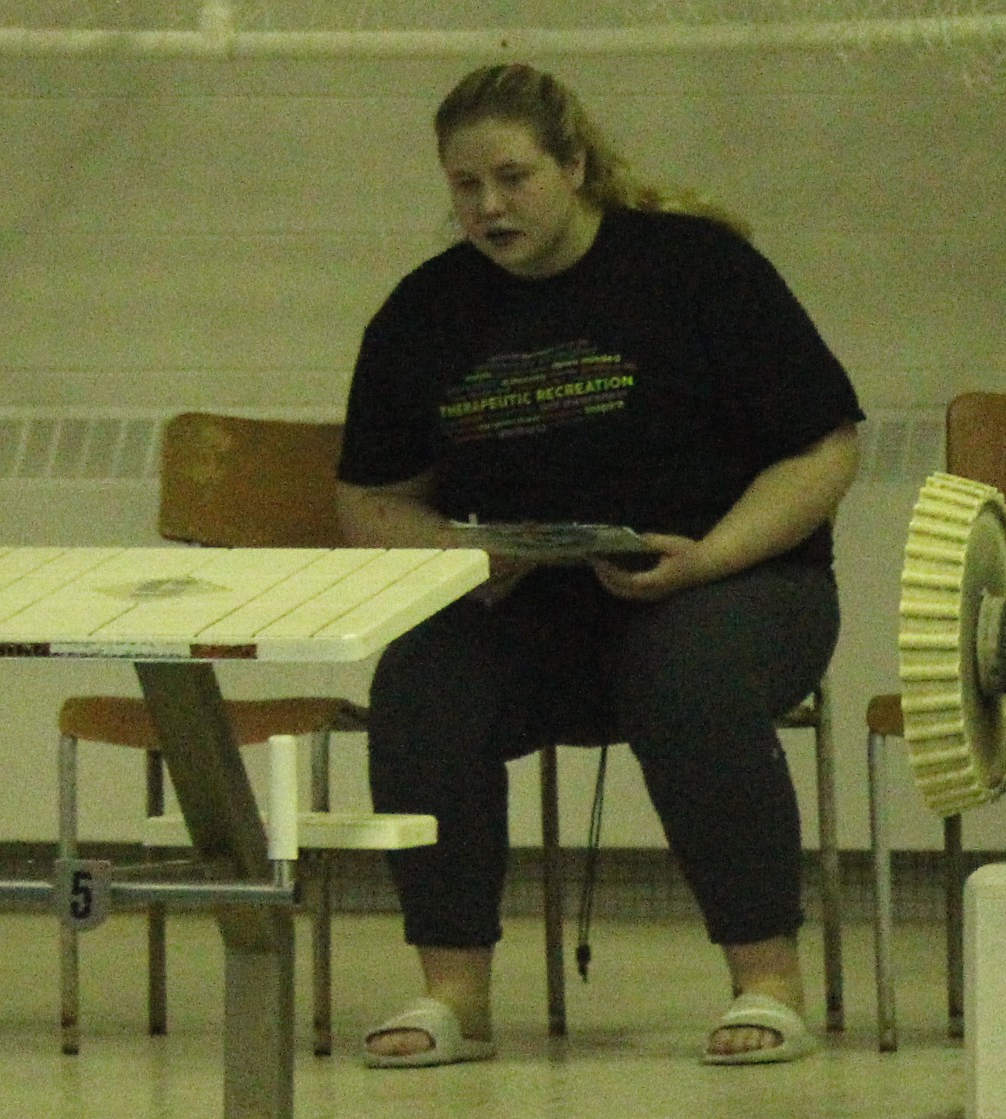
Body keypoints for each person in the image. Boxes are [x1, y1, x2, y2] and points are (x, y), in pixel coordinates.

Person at [334, 64, 865, 1066]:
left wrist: (712, 557)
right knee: (421, 681)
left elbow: (825, 449)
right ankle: (454, 993)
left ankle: (766, 982)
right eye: (465, 186)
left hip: (743, 584)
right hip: (541, 607)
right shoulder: (425, 312)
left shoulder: (697, 270)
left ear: (574, 165)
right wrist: (463, 554)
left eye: (513, 178)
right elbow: (369, 499)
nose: (489, 207)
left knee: (687, 674)